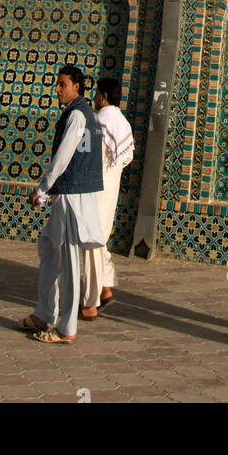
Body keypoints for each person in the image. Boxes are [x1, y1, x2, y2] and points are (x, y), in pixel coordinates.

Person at [21, 65, 105, 343]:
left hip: (72, 195)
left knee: (69, 260)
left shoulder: (78, 116)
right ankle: (45, 313)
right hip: (68, 193)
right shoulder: (80, 113)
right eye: (57, 84)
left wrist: (42, 189)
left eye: (62, 84)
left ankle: (66, 328)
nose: (57, 89)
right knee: (49, 247)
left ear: (77, 86)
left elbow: (63, 157)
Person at [80, 76, 135, 320]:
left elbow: (83, 155)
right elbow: (127, 157)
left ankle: (90, 302)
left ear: (102, 96)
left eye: (96, 94)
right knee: (99, 237)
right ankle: (105, 290)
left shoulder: (97, 121)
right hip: (111, 188)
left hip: (93, 188)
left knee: (90, 241)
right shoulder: (123, 123)